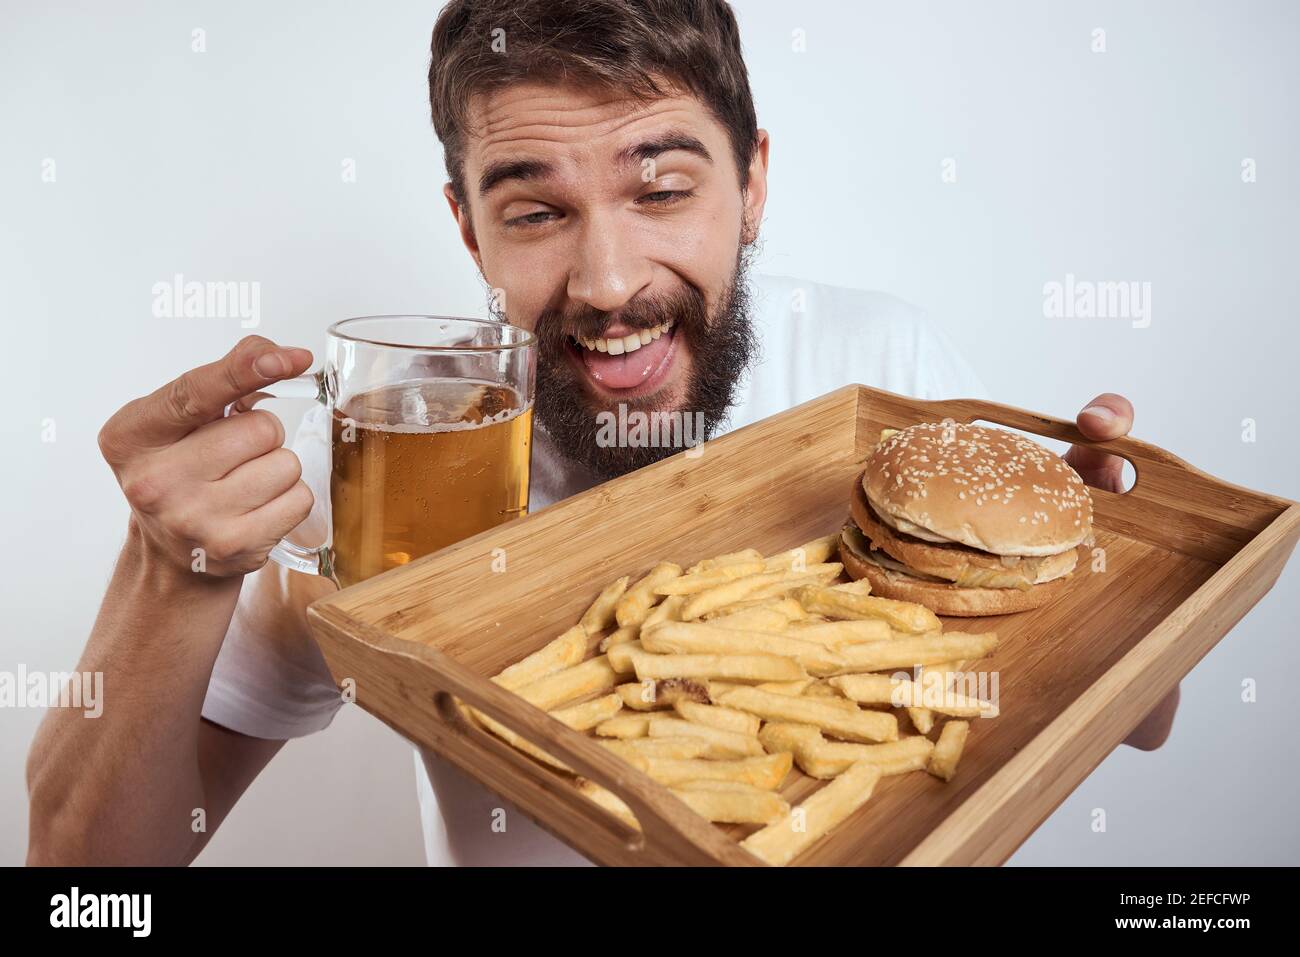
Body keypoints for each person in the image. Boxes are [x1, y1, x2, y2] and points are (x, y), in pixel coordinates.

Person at [26, 0, 1178, 866]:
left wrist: (1096, 559)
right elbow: (83, 883)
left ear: (755, 184)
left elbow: (1146, 725)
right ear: (469, 232)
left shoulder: (885, 368)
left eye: (663, 188)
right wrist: (165, 576)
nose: (609, 281)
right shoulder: (393, 465)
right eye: (535, 211)